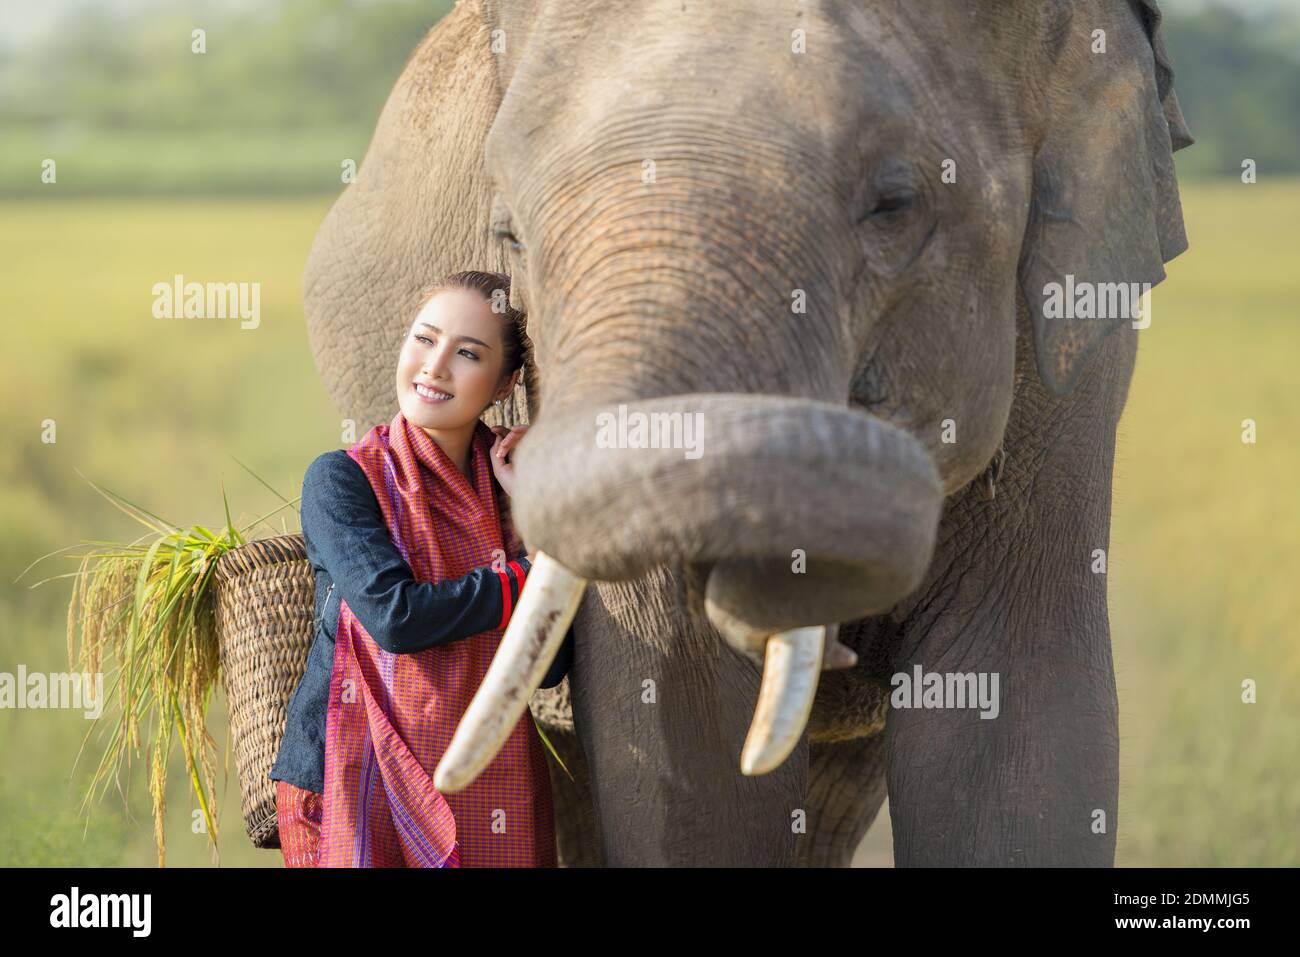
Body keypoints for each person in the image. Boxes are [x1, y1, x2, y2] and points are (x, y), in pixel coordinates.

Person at [268, 270, 574, 867]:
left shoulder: (509, 498)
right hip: (351, 777)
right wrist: (528, 574)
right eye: (425, 339)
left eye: (467, 353)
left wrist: (527, 523)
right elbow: (395, 617)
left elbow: (547, 665)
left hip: (490, 776)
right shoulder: (341, 480)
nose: (435, 366)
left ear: (505, 383)